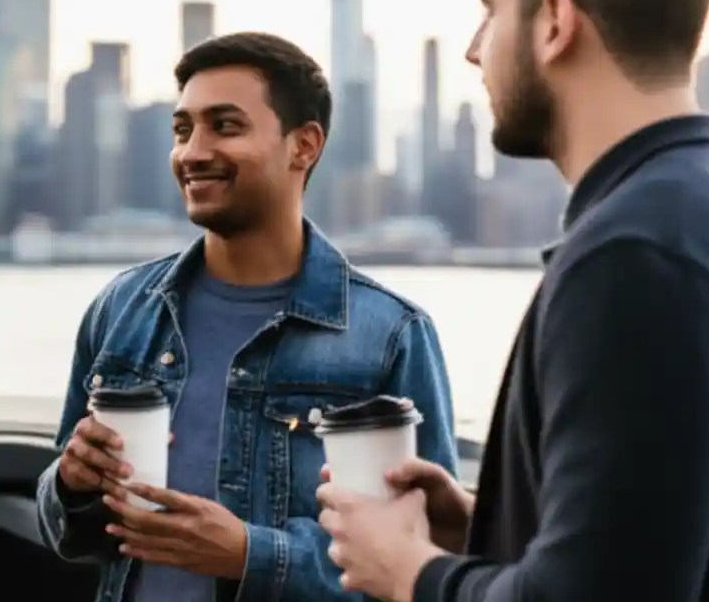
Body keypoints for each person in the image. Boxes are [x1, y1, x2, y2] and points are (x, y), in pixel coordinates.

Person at [315, 0, 709, 600]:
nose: (474, 49)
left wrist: (413, 574)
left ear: (553, 22)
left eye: (490, 10)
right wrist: (487, 528)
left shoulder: (635, 257)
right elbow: (674, 536)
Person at [35, 31, 459, 601]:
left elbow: (421, 560)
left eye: (225, 126)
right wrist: (69, 484)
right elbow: (65, 531)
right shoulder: (122, 310)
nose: (193, 151)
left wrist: (249, 555)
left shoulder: (390, 335)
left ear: (303, 145)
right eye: (182, 129)